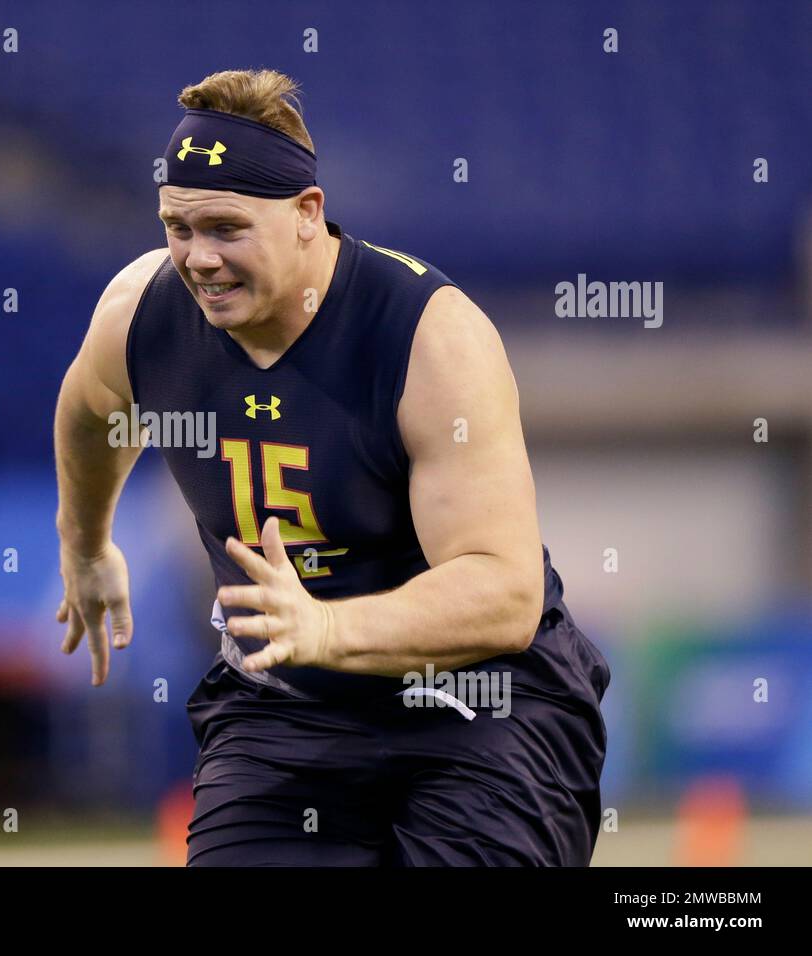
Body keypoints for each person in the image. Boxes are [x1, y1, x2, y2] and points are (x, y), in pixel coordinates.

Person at [53, 69, 610, 866]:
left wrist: (328, 627)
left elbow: (505, 591)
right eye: (177, 226)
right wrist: (85, 542)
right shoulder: (140, 315)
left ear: (307, 214)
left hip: (483, 698)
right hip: (289, 706)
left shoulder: (426, 337)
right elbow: (90, 410)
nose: (197, 258)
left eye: (225, 227)